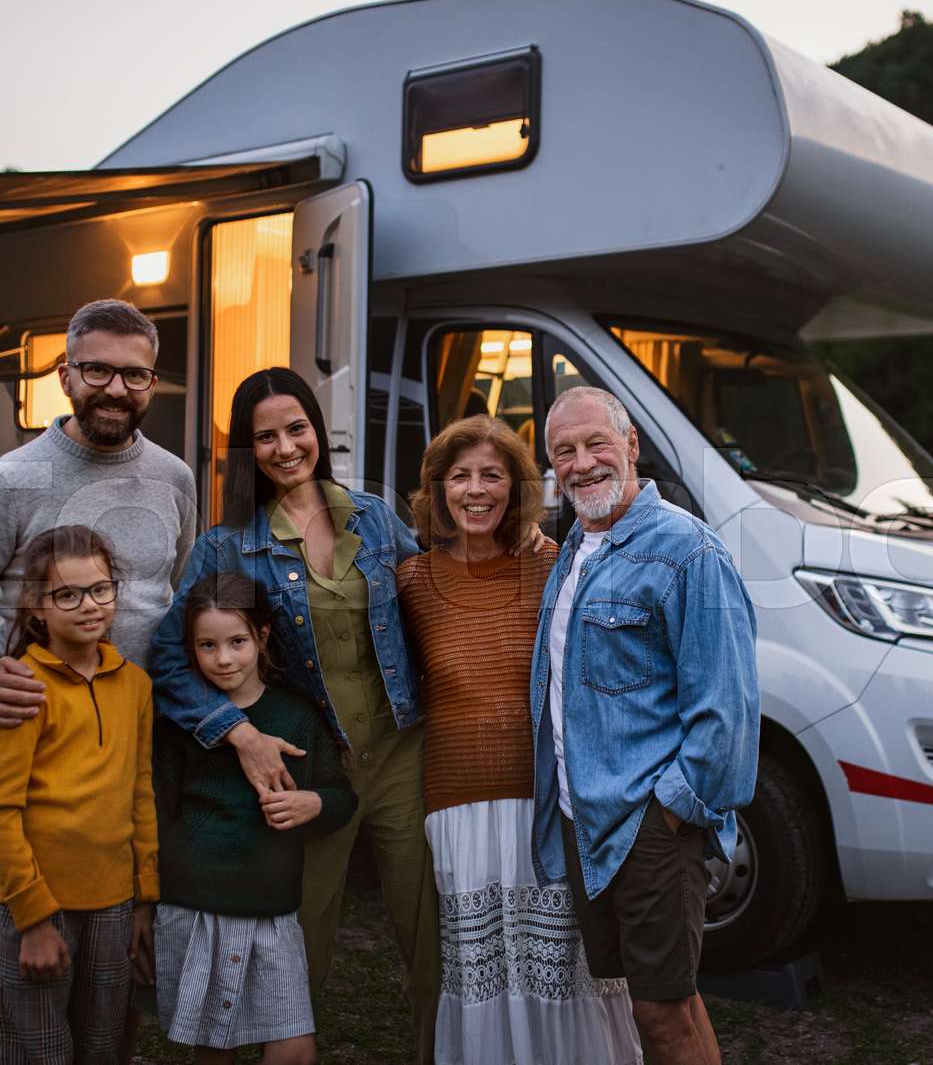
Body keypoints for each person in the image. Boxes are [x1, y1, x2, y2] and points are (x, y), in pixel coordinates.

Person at [0, 298, 197, 1065]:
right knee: (14, 958)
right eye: (98, 369)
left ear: (154, 378)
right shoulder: (12, 478)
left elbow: (166, 597)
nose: (116, 388)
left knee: (121, 964)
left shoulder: (174, 478)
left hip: (141, 745)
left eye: (135, 373)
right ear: (64, 371)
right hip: (41, 752)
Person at [147, 367, 440, 1062]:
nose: (285, 446)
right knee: (299, 940)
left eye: (297, 427)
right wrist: (240, 733)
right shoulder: (227, 545)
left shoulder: (373, 517)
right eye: (266, 435)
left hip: (402, 751)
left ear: (318, 430)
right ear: (249, 450)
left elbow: (434, 599)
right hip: (308, 761)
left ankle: (440, 1048)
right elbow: (166, 657)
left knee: (430, 932)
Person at [396, 416, 643, 1065]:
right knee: (480, 970)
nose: (476, 490)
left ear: (517, 486)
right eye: (460, 476)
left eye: (492, 474)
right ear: (437, 487)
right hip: (455, 803)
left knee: (559, 965)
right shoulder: (411, 582)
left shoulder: (554, 566)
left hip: (547, 802)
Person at [530, 387, 760, 1065]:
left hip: (647, 828)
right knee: (661, 999)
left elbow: (729, 714)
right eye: (563, 451)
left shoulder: (687, 550)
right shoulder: (575, 547)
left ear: (631, 445)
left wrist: (668, 813)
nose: (582, 462)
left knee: (661, 1009)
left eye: (596, 442)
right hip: (585, 819)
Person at [152, 571, 356, 1065]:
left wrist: (314, 804)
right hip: (198, 907)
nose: (224, 658)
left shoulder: (297, 714)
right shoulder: (181, 724)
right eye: (207, 645)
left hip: (273, 913)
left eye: (237, 642)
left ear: (262, 637)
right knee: (215, 1049)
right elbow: (156, 816)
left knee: (294, 1050)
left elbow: (342, 798)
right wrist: (145, 901)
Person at [0, 525, 158, 1064]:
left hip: (114, 907)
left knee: (102, 1047)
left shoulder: (136, 686)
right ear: (36, 606)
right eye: (67, 595)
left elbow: (141, 794)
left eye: (102, 589)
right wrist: (31, 921)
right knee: (40, 1051)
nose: (88, 606)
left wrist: (144, 899)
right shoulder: (22, 686)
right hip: (38, 905)